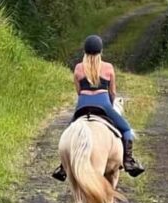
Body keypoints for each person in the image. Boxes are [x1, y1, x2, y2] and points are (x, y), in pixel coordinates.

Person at [52, 35, 145, 181]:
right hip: (103, 104)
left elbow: (78, 91)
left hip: (82, 105)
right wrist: (110, 105)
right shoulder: (108, 67)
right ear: (101, 51)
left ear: (85, 51)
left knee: (69, 131)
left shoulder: (78, 68)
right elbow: (112, 92)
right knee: (126, 129)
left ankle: (63, 166)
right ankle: (128, 162)